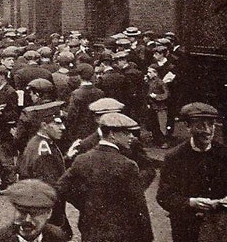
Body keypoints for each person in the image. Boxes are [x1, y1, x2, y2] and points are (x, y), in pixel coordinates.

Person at [57, 113, 153, 242]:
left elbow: (62, 187)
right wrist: (146, 236)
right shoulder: (127, 165)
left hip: (91, 227)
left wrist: (85, 204)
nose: (131, 137)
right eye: (126, 133)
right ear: (112, 134)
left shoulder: (82, 159)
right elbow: (138, 206)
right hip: (121, 230)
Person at [156, 102, 227, 242]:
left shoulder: (224, 154)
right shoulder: (174, 157)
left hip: (220, 228)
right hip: (187, 229)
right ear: (188, 127)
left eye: (211, 125)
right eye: (200, 125)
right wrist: (190, 203)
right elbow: (164, 196)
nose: (207, 131)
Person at [16, 107, 71, 239]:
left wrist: (67, 157)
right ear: (44, 126)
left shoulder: (39, 142)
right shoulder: (43, 149)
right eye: (57, 124)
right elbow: (50, 186)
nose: (62, 127)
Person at [0, 179, 69, 242]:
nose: (27, 219)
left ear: (49, 213)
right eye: (22, 212)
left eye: (34, 214)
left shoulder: (57, 237)